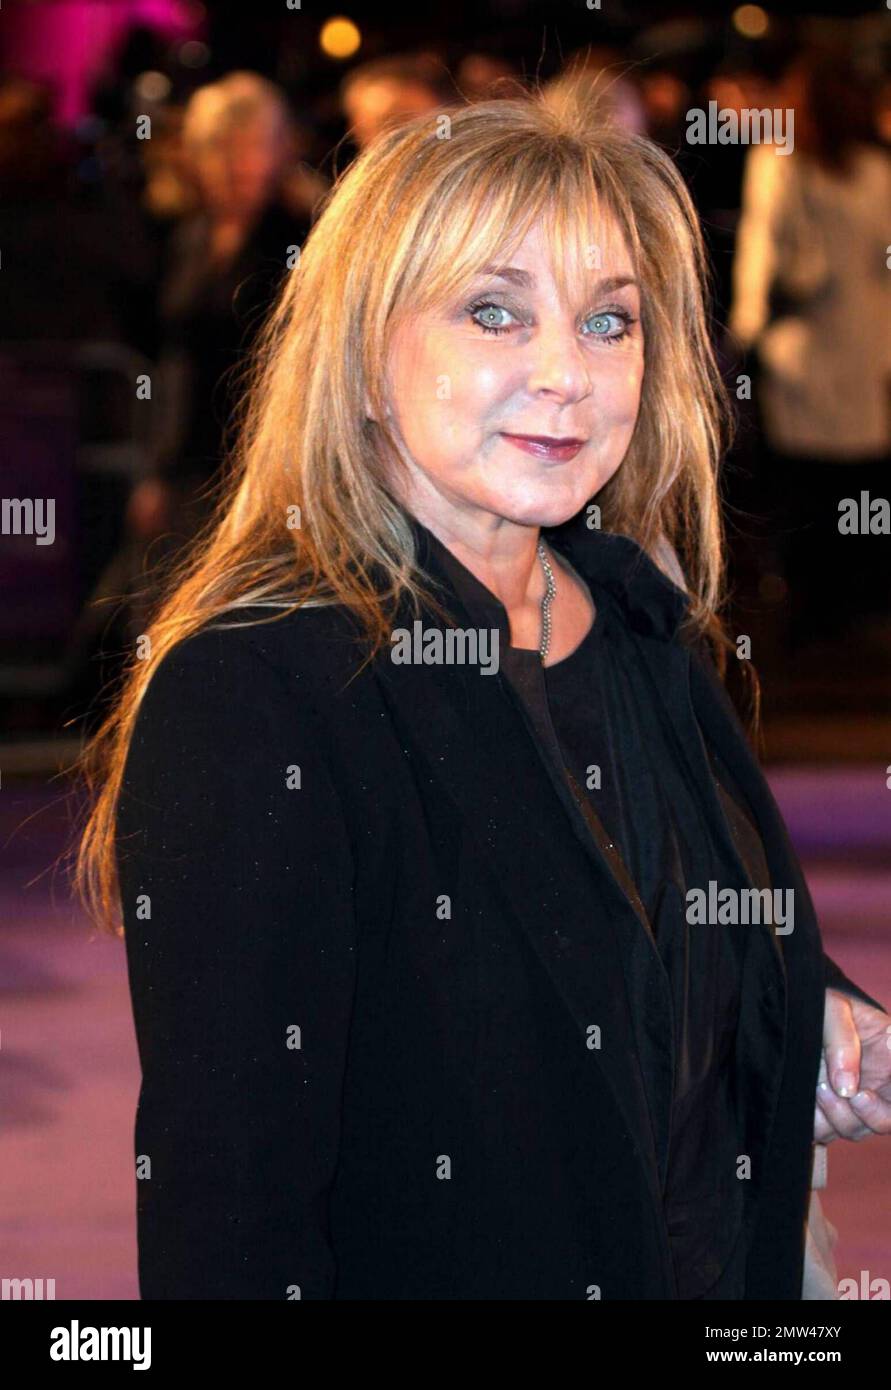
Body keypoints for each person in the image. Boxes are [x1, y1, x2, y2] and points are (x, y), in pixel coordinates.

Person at [74, 86, 891, 1300]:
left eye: (610, 322)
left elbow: (642, 916)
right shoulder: (261, 690)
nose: (566, 373)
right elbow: (232, 1204)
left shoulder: (635, 623)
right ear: (359, 360)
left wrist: (804, 1008)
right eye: (495, 312)